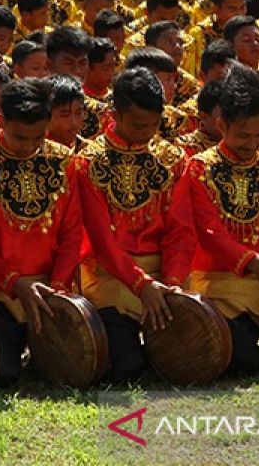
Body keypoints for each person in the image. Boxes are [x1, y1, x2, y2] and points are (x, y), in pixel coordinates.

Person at [176, 63, 259, 375]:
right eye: (242, 135)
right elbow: (210, 232)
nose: (251, 144)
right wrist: (252, 261)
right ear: (221, 126)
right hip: (220, 287)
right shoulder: (199, 168)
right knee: (245, 360)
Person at [0, 78, 83, 384]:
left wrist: (58, 285)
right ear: (1, 121)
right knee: (4, 372)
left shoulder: (63, 161)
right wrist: (15, 283)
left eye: (37, 138)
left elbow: (72, 232)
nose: (28, 147)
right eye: (19, 137)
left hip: (53, 287)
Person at [72, 67, 191, 382]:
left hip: (164, 276)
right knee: (128, 367)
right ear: (115, 115)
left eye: (155, 124)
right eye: (140, 125)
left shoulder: (172, 158)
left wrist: (174, 284)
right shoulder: (91, 162)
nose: (149, 132)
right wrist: (142, 285)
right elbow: (101, 242)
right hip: (109, 276)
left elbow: (180, 230)